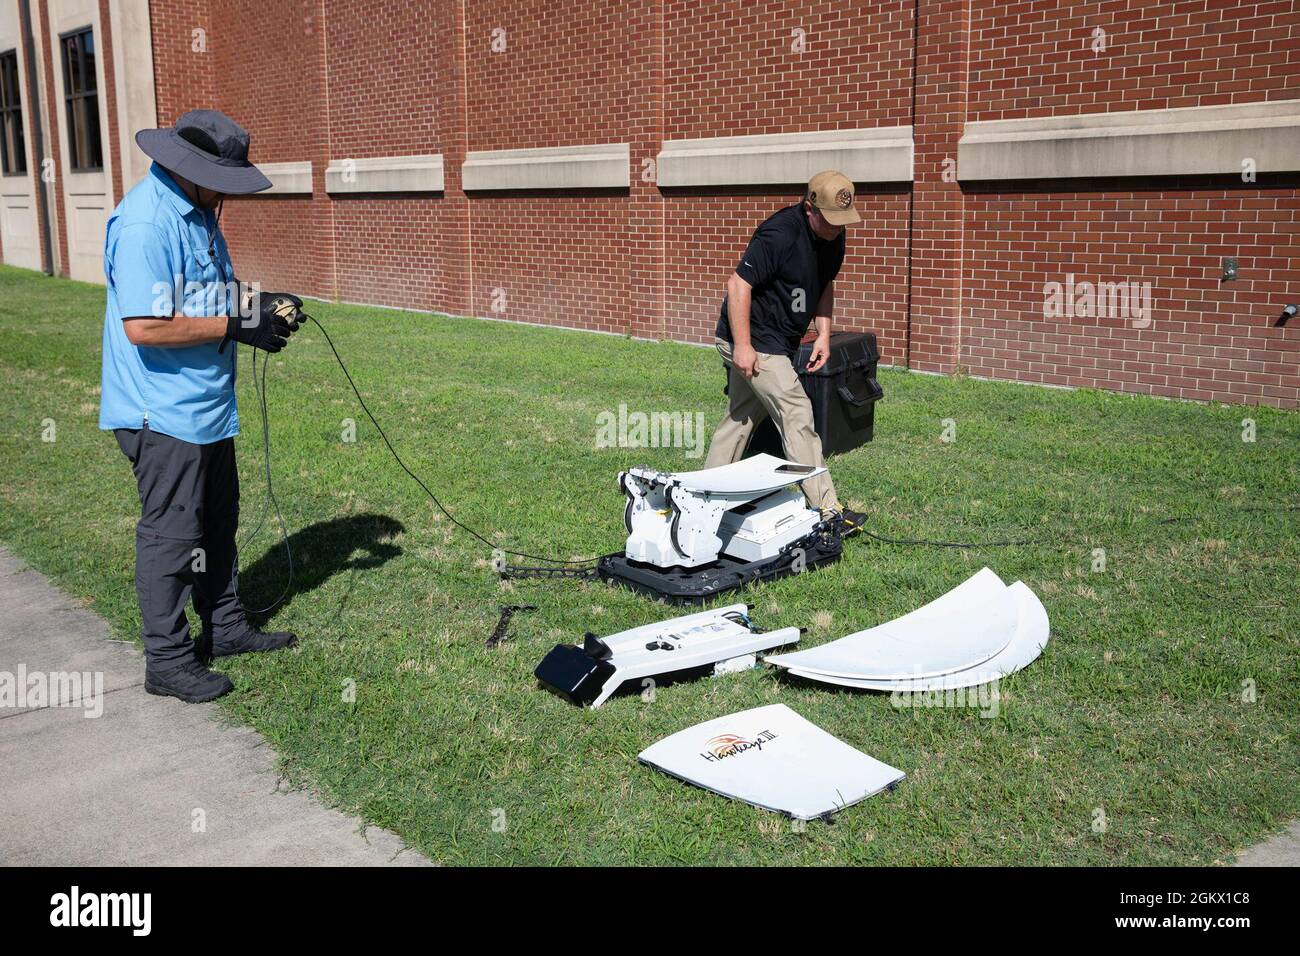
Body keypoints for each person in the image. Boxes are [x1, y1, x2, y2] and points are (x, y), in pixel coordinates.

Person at [99, 109, 304, 703]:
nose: (229, 195)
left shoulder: (200, 213)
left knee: (217, 523)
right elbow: (144, 326)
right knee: (171, 535)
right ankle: (166, 659)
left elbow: (205, 292)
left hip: (206, 406)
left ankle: (226, 627)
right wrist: (238, 324)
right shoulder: (145, 224)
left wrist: (261, 306)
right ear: (192, 170)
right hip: (160, 412)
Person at [702, 169, 866, 534]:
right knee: (796, 409)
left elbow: (825, 283)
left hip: (777, 340)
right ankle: (827, 510)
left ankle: (702, 497)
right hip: (752, 340)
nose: (837, 229)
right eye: (830, 220)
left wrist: (822, 334)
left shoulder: (833, 234)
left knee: (742, 418)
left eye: (843, 222)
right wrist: (743, 347)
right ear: (810, 207)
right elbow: (738, 285)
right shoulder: (779, 233)